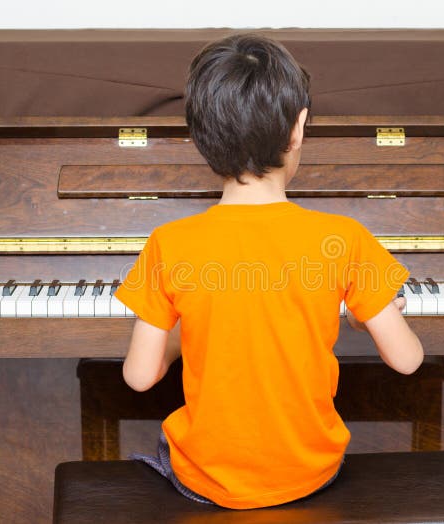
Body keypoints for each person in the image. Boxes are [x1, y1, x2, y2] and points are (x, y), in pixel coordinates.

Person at [114, 33, 424, 510]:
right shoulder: (343, 237)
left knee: (163, 450)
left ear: (199, 136)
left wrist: (190, 327)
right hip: (311, 473)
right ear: (298, 128)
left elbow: (139, 376)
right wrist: (362, 318)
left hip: (207, 483)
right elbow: (407, 360)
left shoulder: (168, 243)